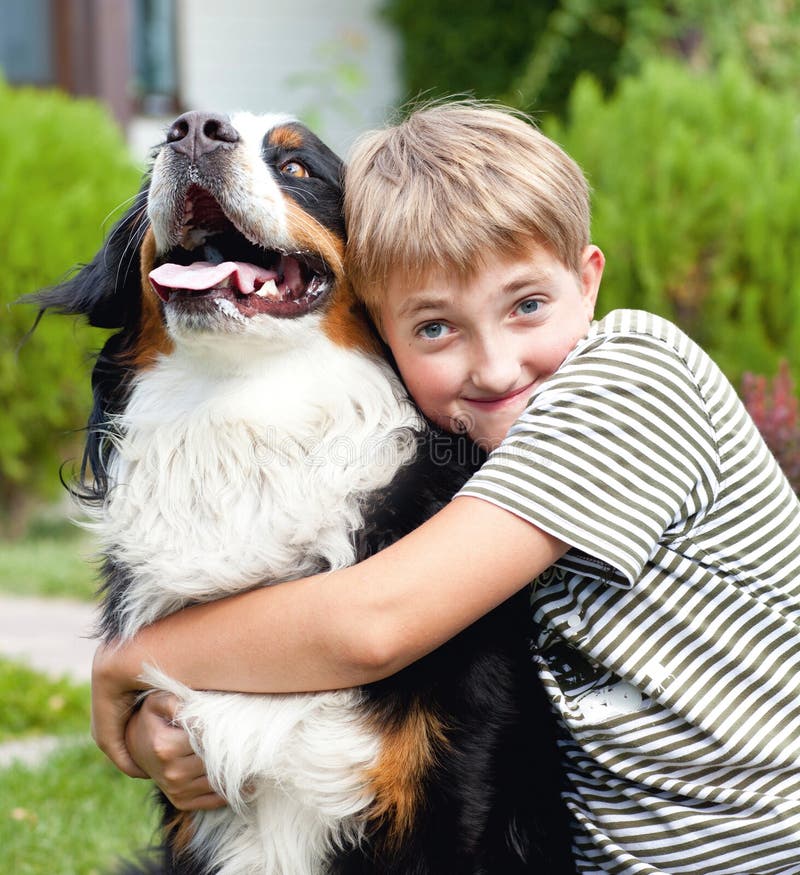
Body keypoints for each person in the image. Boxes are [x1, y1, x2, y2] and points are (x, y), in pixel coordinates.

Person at [91, 102, 800, 874]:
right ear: (385, 329)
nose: (494, 367)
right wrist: (165, 719)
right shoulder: (465, 444)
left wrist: (133, 663)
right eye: (435, 328)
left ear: (588, 279)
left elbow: (376, 622)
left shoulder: (632, 378)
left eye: (528, 305)